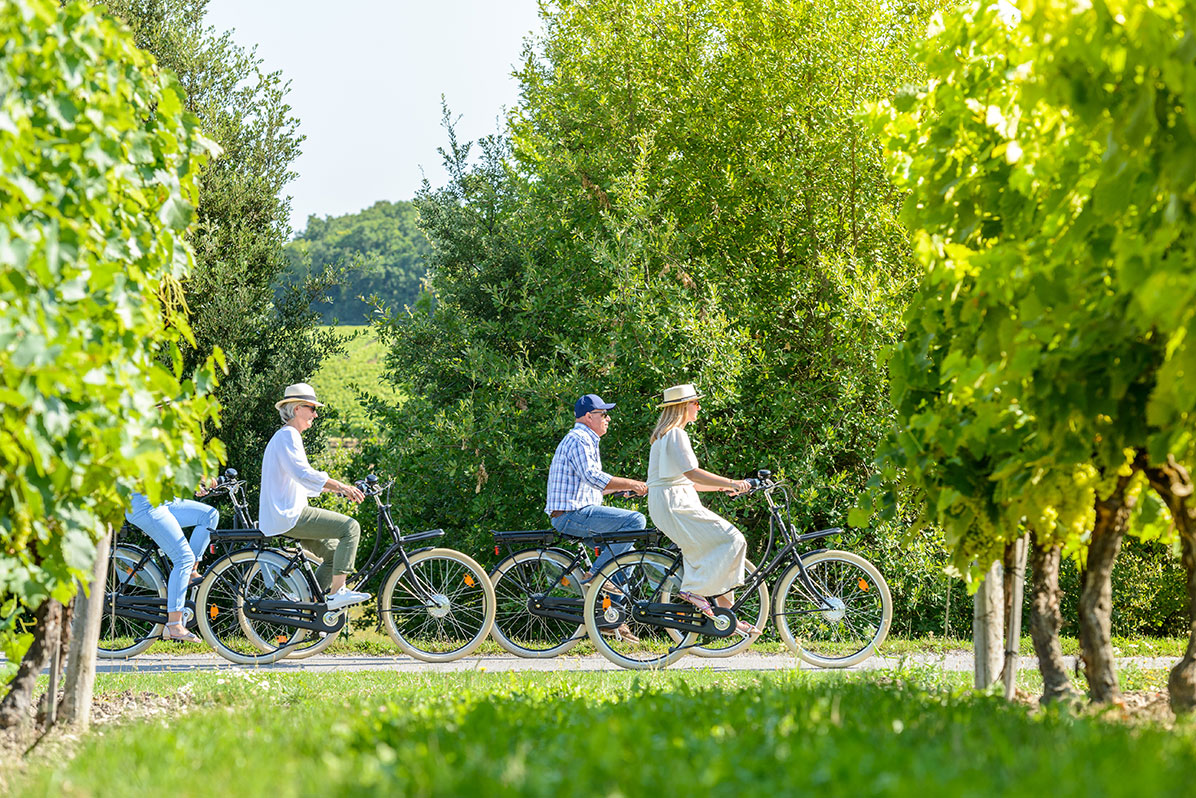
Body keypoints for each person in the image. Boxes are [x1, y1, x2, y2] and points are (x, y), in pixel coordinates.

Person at [646, 383, 758, 636]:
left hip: (670, 502)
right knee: (732, 538)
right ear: (682, 407)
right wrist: (733, 482)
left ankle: (727, 616)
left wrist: (724, 487)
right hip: (676, 504)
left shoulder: (663, 437)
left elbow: (689, 482)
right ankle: (694, 591)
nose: (699, 407)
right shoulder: (676, 434)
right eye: (695, 403)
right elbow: (692, 473)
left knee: (713, 549)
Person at [546, 393, 648, 641]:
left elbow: (592, 487)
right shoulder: (579, 439)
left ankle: (611, 619)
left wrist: (623, 489)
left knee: (626, 556)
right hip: (571, 514)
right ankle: (596, 576)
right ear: (588, 417)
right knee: (636, 521)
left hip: (576, 512)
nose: (608, 419)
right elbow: (593, 477)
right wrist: (632, 483)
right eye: (603, 414)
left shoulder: (586, 440)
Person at [259, 382, 370, 610]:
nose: (315, 414)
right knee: (350, 528)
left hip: (286, 515)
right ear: (296, 408)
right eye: (312, 408)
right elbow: (304, 474)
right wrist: (342, 486)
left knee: (333, 553)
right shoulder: (288, 435)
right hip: (290, 515)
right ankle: (337, 593)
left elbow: (304, 483)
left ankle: (306, 604)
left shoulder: (286, 436)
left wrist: (341, 490)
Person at [125, 491, 220, 643]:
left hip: (165, 499)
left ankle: (191, 572)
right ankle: (174, 625)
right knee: (183, 559)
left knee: (209, 516)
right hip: (146, 504)